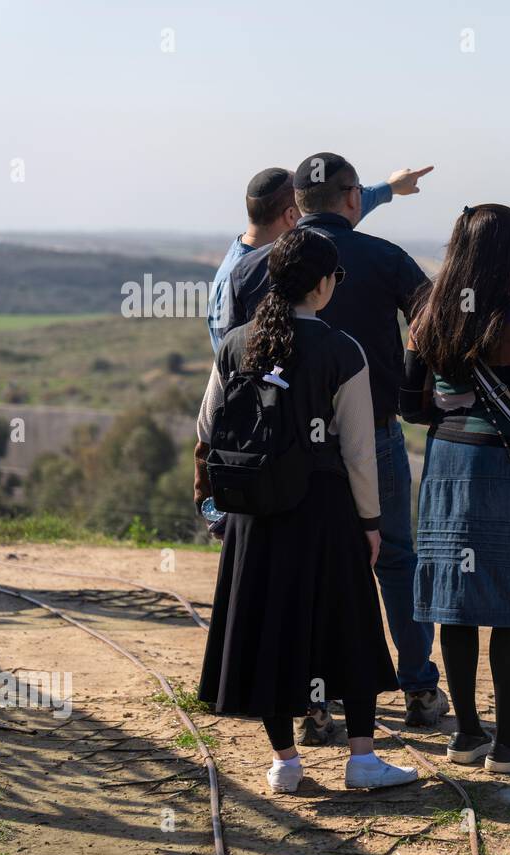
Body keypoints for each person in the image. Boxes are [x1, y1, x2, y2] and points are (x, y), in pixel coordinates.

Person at [228, 152, 446, 742]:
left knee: (306, 566)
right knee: (397, 559)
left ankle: (315, 702)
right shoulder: (386, 258)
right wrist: (411, 386)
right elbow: (435, 321)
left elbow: (233, 361)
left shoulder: (254, 269)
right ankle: (420, 685)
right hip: (372, 434)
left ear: (297, 205)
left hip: (285, 451)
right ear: (353, 199)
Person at [194, 227, 415, 793]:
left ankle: (286, 764)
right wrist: (371, 523)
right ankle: (363, 758)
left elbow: (206, 428)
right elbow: (359, 451)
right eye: (335, 277)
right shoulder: (343, 350)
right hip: (324, 509)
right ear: (322, 284)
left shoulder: (236, 343)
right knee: (348, 624)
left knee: (271, 628)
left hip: (255, 513)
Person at [400, 203, 510, 772]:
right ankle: (508, 741)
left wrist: (457, 414)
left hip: (446, 465)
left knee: (455, 600)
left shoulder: (427, 314)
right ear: (505, 255)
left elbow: (409, 405)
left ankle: (468, 735)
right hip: (509, 469)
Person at [208, 163, 432, 352]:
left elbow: (333, 217)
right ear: (292, 215)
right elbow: (229, 357)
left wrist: (390, 187)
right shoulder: (236, 274)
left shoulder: (250, 267)